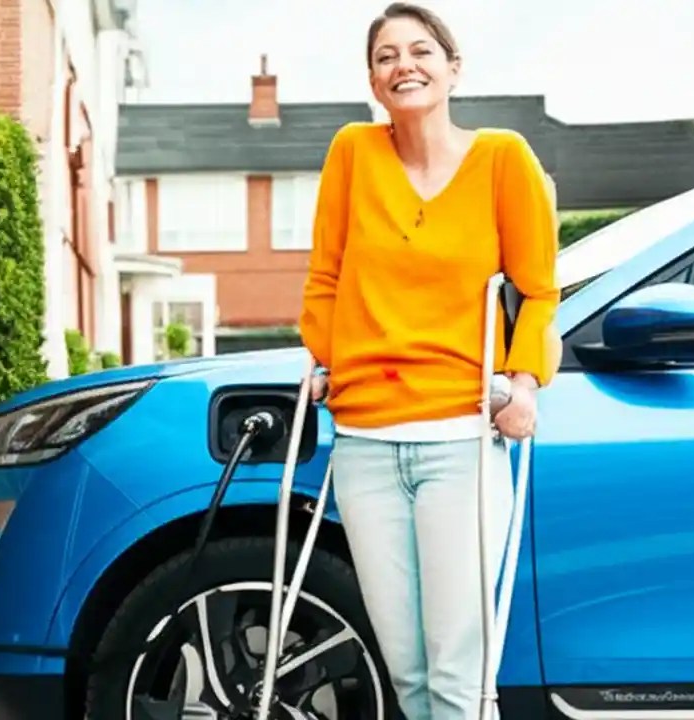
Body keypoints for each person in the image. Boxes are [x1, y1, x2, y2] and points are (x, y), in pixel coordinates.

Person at [297, 3, 560, 719]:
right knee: (407, 672)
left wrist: (525, 381)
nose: (403, 65)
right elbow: (326, 276)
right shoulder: (353, 151)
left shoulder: (503, 158)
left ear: (453, 68)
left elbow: (538, 291)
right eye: (386, 56)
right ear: (373, 81)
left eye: (419, 51)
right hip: (366, 445)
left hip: (460, 442)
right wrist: (323, 357)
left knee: (458, 672)